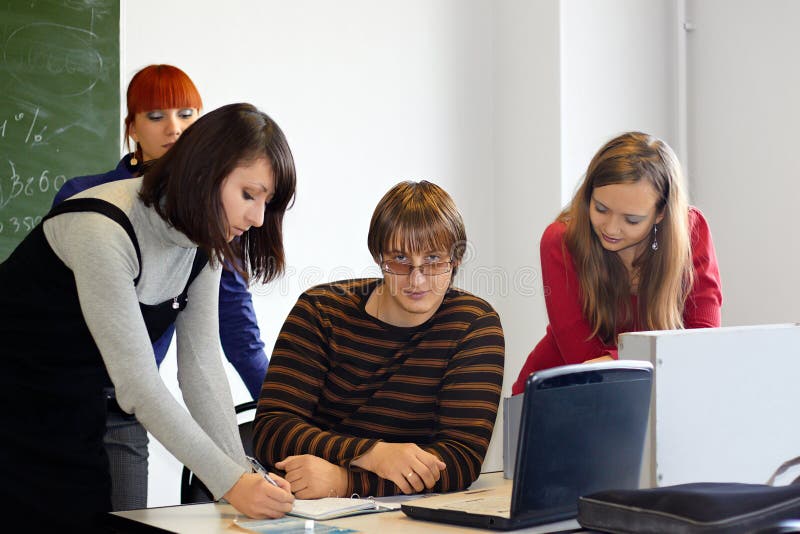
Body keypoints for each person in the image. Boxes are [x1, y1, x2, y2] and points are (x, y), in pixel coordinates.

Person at [0, 103, 296, 530]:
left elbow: (201, 367)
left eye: (267, 202)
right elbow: (138, 382)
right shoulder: (101, 227)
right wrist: (231, 482)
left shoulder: (203, 245)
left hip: (76, 412)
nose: (256, 218)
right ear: (203, 172)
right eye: (248, 195)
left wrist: (242, 474)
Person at [52, 64, 270, 511]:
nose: (174, 128)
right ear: (130, 127)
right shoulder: (95, 209)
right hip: (49, 401)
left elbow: (222, 344)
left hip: (128, 410)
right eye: (155, 116)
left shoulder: (210, 228)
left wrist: (277, 423)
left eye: (187, 114)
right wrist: (233, 480)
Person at [252, 180, 505, 499]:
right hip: (306, 511)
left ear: (455, 259)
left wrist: (345, 482)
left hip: (406, 518)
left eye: (433, 261)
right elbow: (272, 430)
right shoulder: (320, 312)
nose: (417, 280)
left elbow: (460, 459)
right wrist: (370, 454)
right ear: (378, 256)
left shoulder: (473, 325)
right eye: (400, 260)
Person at [512, 131, 723, 395]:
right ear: (588, 195)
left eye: (631, 220)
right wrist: (655, 357)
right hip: (560, 394)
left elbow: (704, 343)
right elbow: (587, 365)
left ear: (660, 214)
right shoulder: (560, 241)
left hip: (653, 391)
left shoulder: (691, 230)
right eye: (600, 209)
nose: (611, 228)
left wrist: (616, 358)